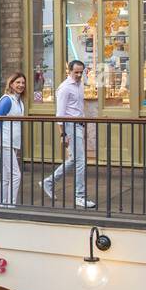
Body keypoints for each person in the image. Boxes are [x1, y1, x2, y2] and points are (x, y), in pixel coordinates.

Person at [43, 60, 96, 209]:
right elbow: (60, 114)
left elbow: (78, 107)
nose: (79, 75)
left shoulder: (79, 84)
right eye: (76, 72)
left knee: (74, 160)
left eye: (81, 72)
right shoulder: (65, 88)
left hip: (78, 126)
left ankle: (49, 181)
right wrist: (63, 134)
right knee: (80, 162)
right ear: (69, 71)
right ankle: (80, 196)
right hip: (70, 126)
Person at [0, 72, 27, 206]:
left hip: (13, 142)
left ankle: (2, 203)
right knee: (16, 175)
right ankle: (10, 205)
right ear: (11, 84)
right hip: (5, 141)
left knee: (6, 176)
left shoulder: (20, 102)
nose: (21, 85)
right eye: (18, 82)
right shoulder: (7, 100)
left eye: (23, 83)